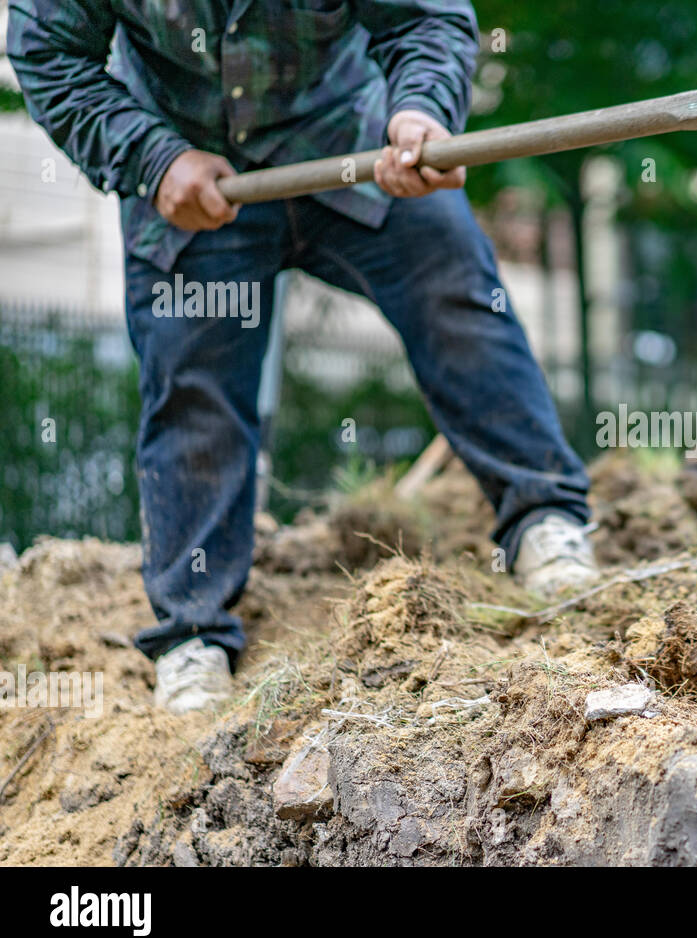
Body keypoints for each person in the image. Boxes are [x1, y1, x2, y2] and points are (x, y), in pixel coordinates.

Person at [8, 0, 598, 714]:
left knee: (455, 293)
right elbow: (48, 56)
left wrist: (419, 109)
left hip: (351, 148)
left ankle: (544, 520)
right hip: (191, 177)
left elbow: (425, 19)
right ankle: (193, 633)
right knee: (194, 390)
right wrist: (152, 157)